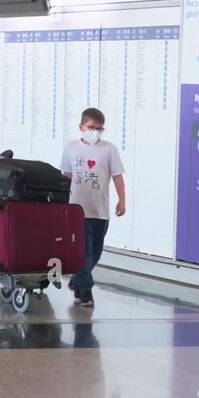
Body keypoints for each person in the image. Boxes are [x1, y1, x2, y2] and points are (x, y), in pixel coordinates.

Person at [61, 108, 126, 308]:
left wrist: (122, 200)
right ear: (81, 127)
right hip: (77, 210)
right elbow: (66, 176)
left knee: (95, 252)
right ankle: (86, 291)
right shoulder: (71, 148)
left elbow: (117, 176)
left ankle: (76, 282)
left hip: (100, 210)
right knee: (84, 253)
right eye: (91, 127)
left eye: (99, 129)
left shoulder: (109, 149)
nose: (94, 132)